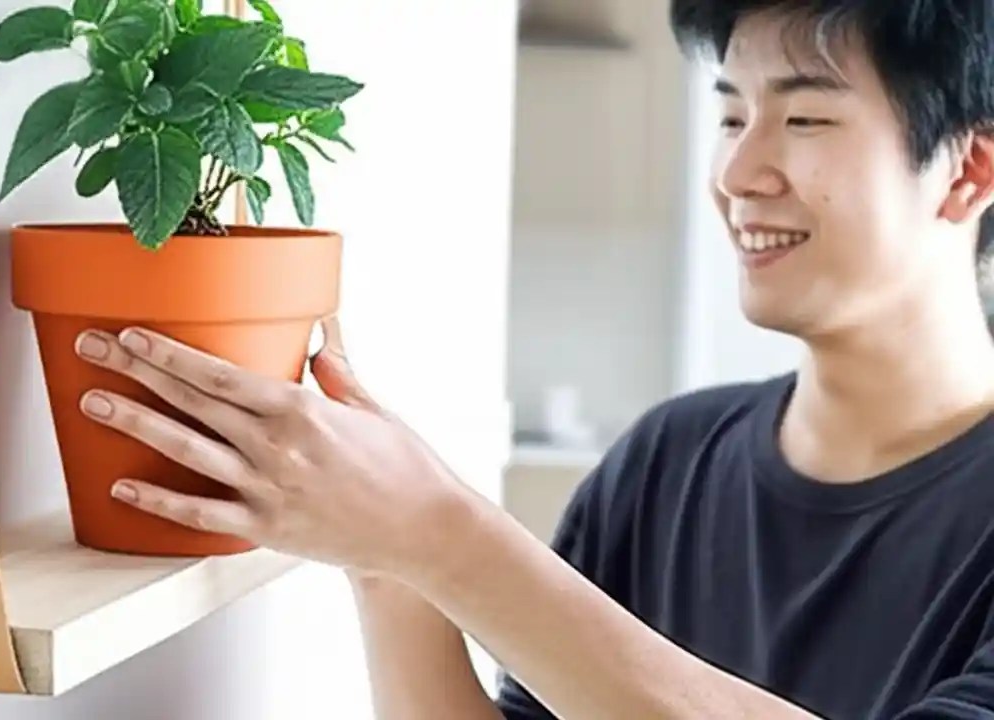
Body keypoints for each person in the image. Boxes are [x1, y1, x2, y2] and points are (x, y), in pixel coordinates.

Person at [67, 0, 994, 717]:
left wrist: (437, 531)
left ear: (966, 171)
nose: (738, 172)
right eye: (729, 117)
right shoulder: (666, 461)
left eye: (805, 122)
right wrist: (387, 565)